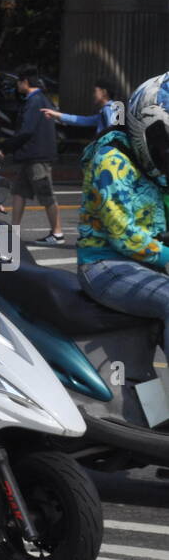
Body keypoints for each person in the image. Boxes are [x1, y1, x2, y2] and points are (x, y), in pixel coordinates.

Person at [76, 71, 169, 354]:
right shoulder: (111, 160)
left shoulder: (156, 166)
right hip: (105, 264)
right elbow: (122, 233)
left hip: (147, 265)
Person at [0, 66, 62, 245]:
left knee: (46, 194)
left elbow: (26, 131)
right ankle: (14, 232)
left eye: (18, 82)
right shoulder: (40, 99)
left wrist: (6, 147)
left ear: (25, 82)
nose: (17, 85)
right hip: (30, 155)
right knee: (19, 192)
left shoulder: (34, 101)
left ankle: (57, 233)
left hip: (37, 156)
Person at [42, 76, 124, 136]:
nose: (93, 95)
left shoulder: (108, 109)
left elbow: (114, 134)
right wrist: (56, 114)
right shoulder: (115, 108)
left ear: (104, 92)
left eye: (95, 91)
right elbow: (81, 120)